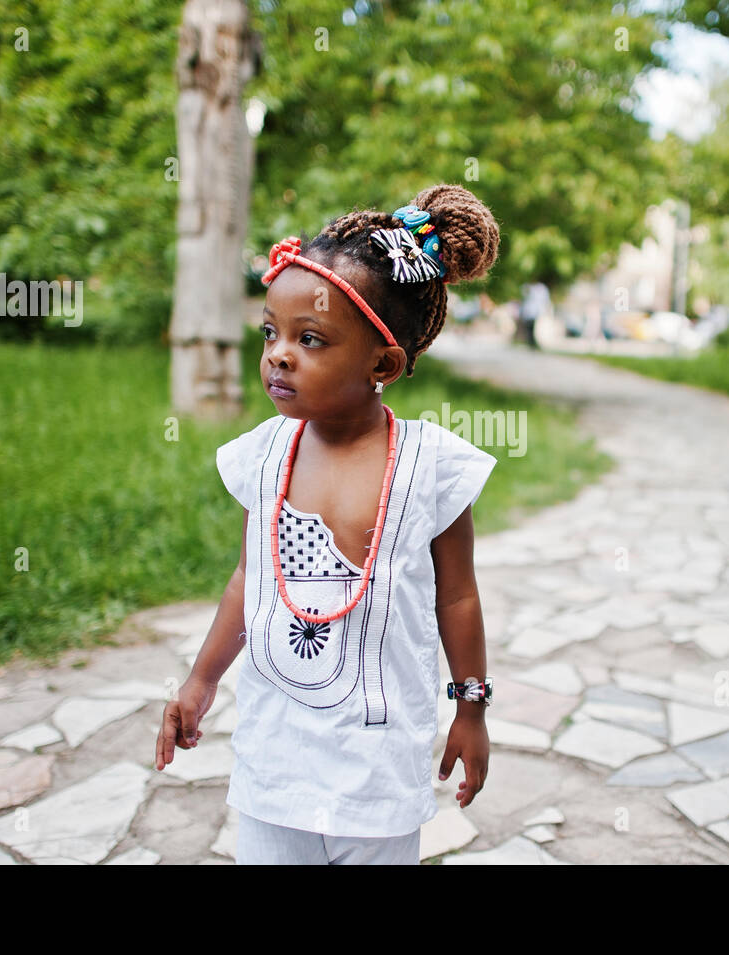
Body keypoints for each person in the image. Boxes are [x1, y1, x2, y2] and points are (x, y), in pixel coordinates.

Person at [154, 183, 502, 865]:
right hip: (274, 766)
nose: (278, 354)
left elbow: (457, 595)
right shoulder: (265, 454)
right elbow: (250, 577)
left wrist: (471, 706)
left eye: (309, 339)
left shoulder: (431, 468)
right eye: (271, 333)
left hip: (377, 772)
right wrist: (201, 679)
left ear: (383, 363)